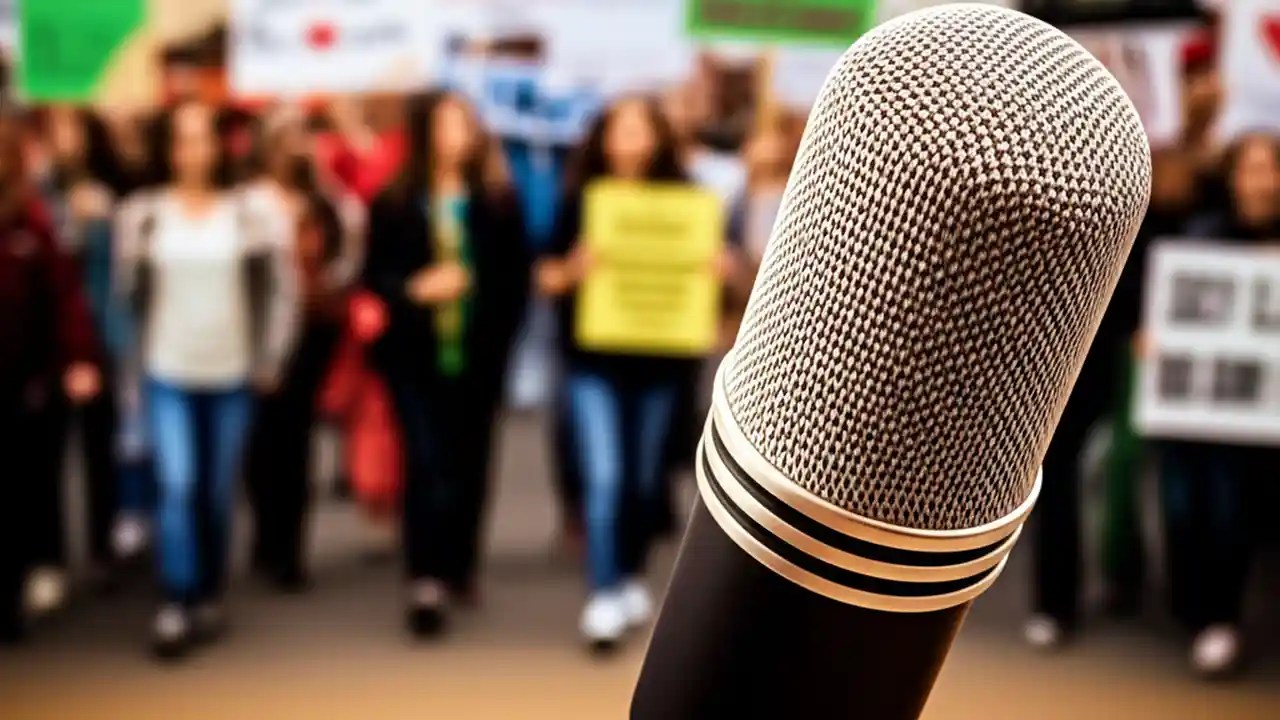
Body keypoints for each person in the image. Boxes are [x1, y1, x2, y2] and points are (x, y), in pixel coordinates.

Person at [537, 96, 723, 649]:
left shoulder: (689, 201)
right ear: (604, 138)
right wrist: (575, 268)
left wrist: (720, 270)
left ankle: (631, 575)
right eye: (622, 129)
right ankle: (604, 590)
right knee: (606, 475)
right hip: (594, 362)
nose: (632, 140)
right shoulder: (581, 201)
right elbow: (546, 278)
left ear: (660, 137)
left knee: (644, 480)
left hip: (662, 364)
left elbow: (723, 276)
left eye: (642, 128)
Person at [116, 100, 296, 660]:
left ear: (220, 146)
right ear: (168, 149)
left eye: (203, 138)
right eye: (182, 139)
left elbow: (282, 289)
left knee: (217, 493)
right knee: (178, 484)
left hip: (232, 370)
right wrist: (131, 370)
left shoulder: (249, 213)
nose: (193, 151)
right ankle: (178, 597)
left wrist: (272, 355)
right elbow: (125, 299)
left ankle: (211, 588)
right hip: (168, 367)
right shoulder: (144, 215)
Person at [362, 90, 528, 638]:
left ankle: (460, 564)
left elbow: (515, 281)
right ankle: (425, 577)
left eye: (465, 121)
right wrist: (413, 290)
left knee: (470, 464)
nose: (459, 132)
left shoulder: (497, 201)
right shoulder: (395, 201)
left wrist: (492, 319)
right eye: (447, 122)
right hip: (415, 359)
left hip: (478, 359)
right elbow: (373, 278)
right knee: (427, 462)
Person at [1154, 132, 1278, 677]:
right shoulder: (1202, 236)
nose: (1258, 181)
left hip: (1253, 421)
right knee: (1185, 510)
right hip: (1191, 415)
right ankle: (1195, 613)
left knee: (1232, 512)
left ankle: (1219, 617)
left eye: (1267, 169)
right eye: (1247, 169)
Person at [243, 106, 364, 593]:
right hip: (257, 335)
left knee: (294, 438)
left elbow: (350, 248)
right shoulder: (249, 203)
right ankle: (265, 530)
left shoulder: (328, 202)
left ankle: (288, 547)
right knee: (260, 443)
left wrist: (325, 285)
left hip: (311, 334)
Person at [0, 104, 101, 643]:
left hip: (23, 384)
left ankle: (12, 595)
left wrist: (78, 357)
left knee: (19, 493)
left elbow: (64, 294)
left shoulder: (34, 219)